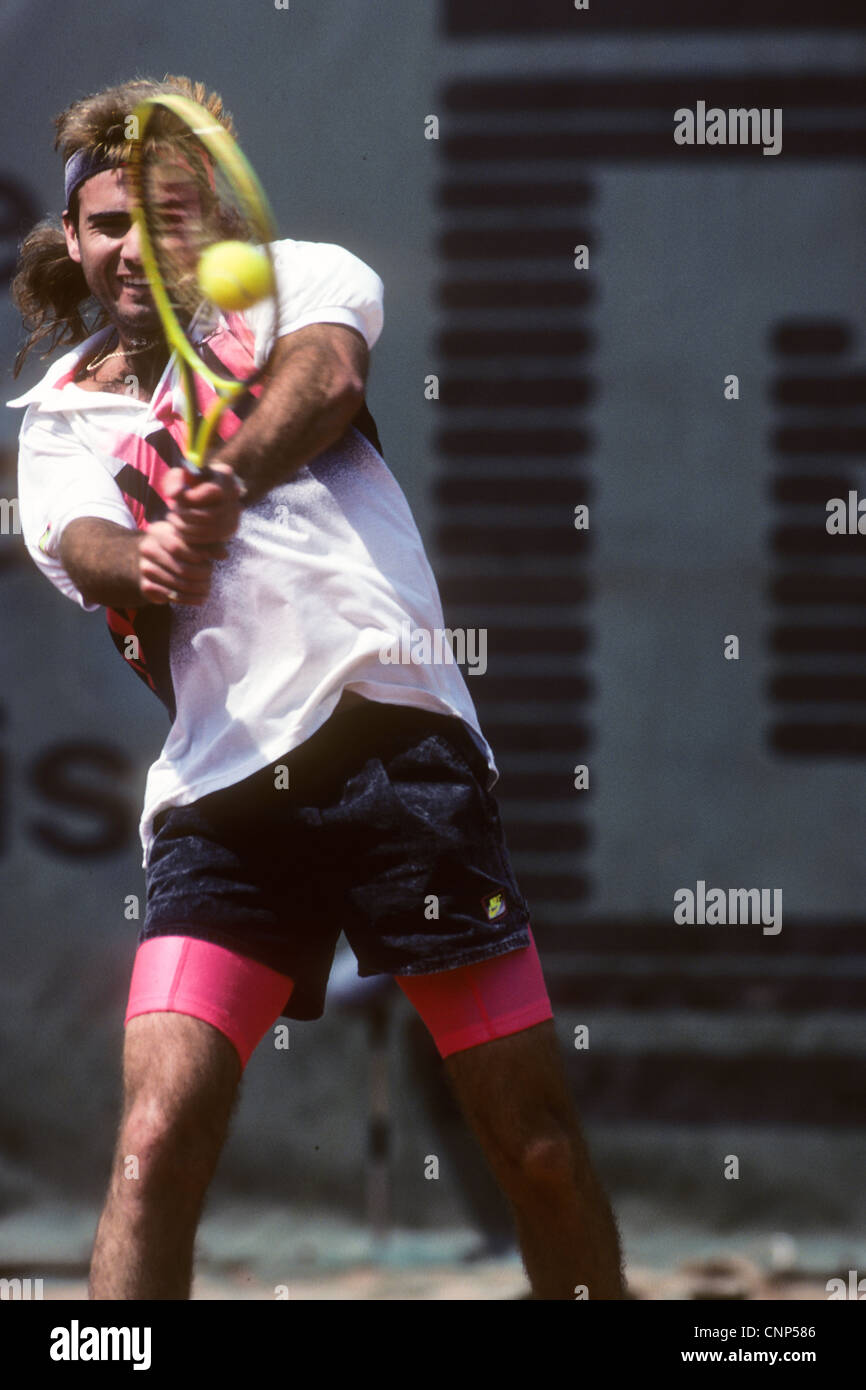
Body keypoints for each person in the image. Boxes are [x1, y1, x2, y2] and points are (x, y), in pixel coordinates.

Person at [9, 75, 626, 1301]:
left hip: (399, 762)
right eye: (107, 223)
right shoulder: (53, 425)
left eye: (165, 213)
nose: (135, 245)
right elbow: (87, 549)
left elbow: (328, 382)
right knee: (146, 1150)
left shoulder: (298, 276)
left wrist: (221, 480)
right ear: (71, 243)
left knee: (537, 1147)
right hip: (218, 809)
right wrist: (149, 555)